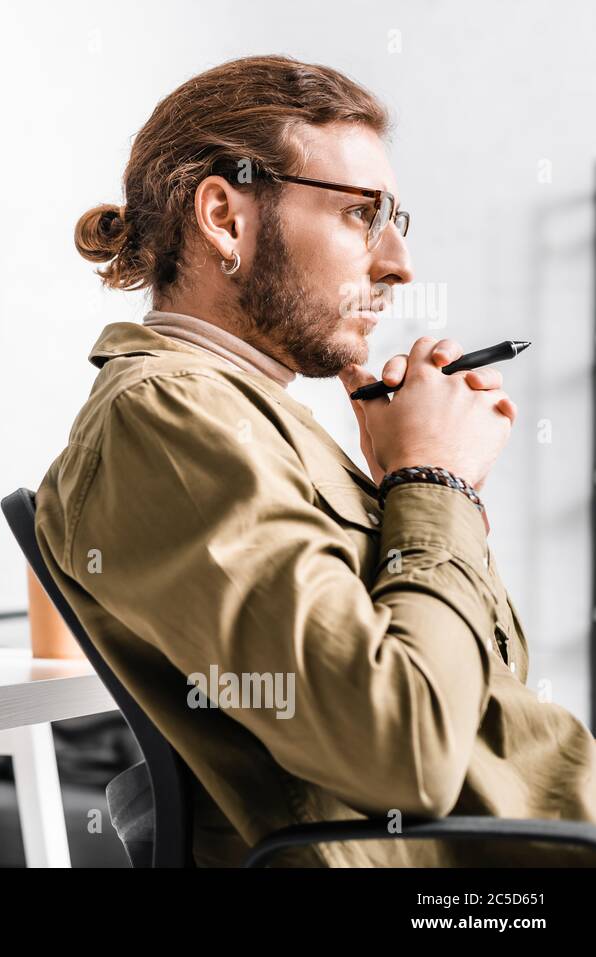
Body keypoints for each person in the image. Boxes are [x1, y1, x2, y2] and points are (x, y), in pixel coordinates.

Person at [36, 55, 596, 866]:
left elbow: (488, 690)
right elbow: (406, 751)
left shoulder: (267, 422)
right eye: (361, 214)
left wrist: (420, 490)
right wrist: (430, 481)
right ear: (225, 218)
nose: (399, 261)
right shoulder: (168, 413)